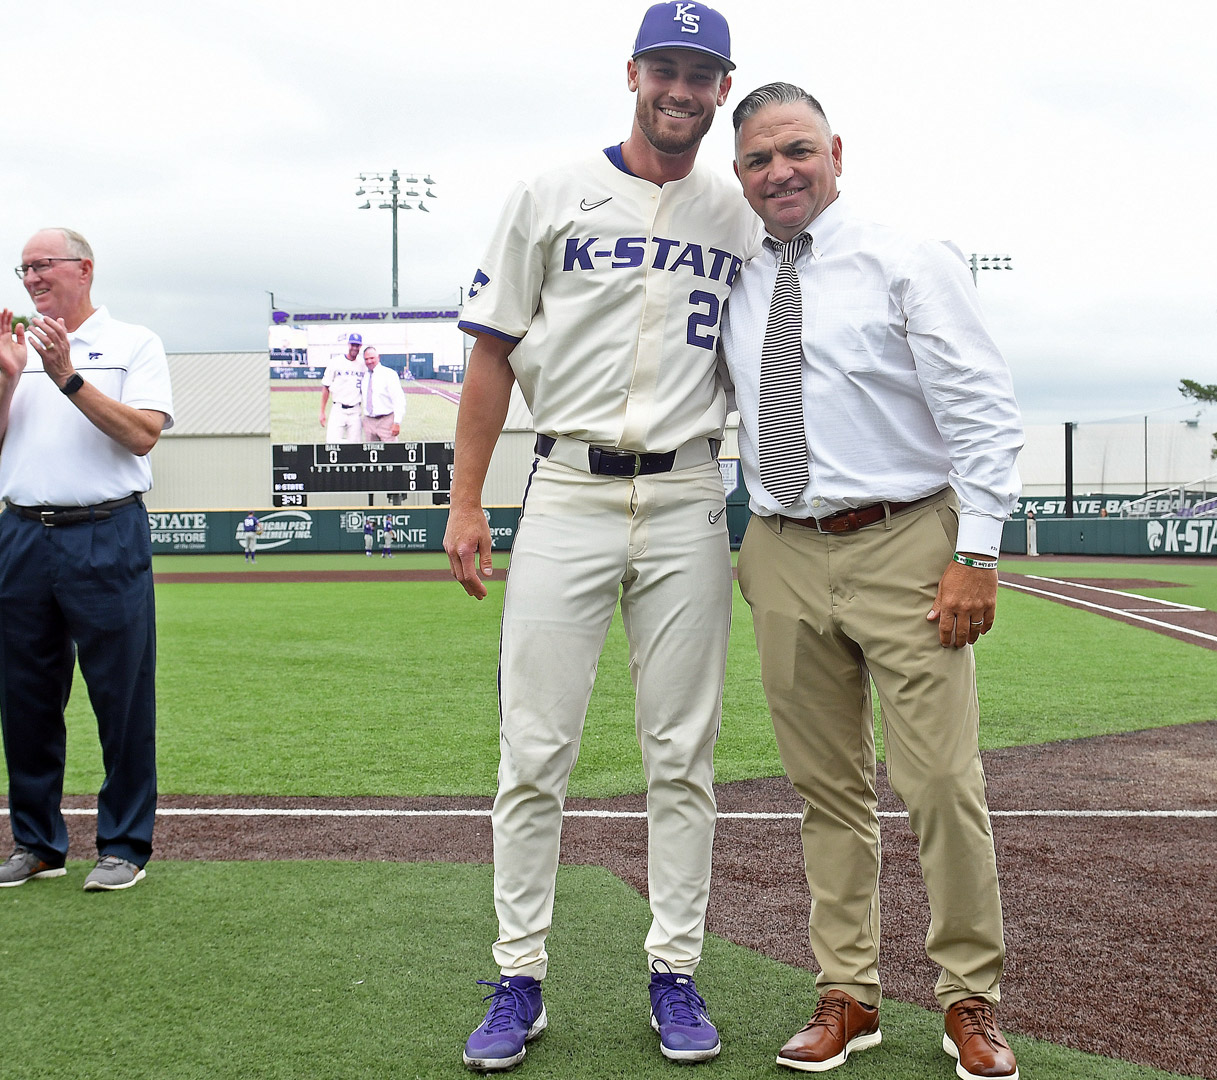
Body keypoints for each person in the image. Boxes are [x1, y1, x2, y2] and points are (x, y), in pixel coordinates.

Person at [442, 3, 756, 1070]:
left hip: (687, 495)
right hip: (568, 489)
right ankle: (518, 976)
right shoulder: (549, 191)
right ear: (632, 73)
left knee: (683, 754)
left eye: (701, 73)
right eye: (665, 67)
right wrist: (467, 500)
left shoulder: (739, 208)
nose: (681, 88)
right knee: (534, 751)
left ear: (722, 87)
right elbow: (490, 353)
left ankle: (676, 970)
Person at [720, 84, 1024, 1080]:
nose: (781, 172)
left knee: (940, 780)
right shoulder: (734, 274)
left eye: (797, 150)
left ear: (836, 152)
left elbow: (983, 406)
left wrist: (976, 551)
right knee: (826, 790)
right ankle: (848, 994)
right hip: (782, 546)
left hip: (907, 540)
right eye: (761, 160)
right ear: (741, 176)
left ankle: (968, 996)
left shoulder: (904, 258)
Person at [0, 227, 173, 893]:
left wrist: (68, 378)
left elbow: (143, 434)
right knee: (24, 697)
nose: (31, 278)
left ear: (84, 268)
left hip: (105, 532)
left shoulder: (134, 342)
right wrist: (8, 379)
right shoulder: (8, 351)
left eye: (43, 265)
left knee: (122, 696)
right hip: (22, 535)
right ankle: (36, 844)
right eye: (23, 269)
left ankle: (124, 847)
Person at [319, 333, 366, 443]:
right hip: (338, 409)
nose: (354, 348)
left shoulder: (363, 364)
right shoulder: (335, 362)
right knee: (331, 443)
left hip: (355, 410)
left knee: (355, 446)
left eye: (357, 345)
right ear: (348, 344)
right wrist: (322, 411)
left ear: (360, 346)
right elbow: (326, 386)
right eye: (352, 345)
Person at [361, 347, 405, 443]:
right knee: (372, 454)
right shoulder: (364, 376)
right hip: (369, 421)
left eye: (372, 358)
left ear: (378, 357)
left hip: (386, 421)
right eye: (366, 359)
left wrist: (397, 422)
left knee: (391, 454)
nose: (369, 361)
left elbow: (398, 399)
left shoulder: (389, 374)